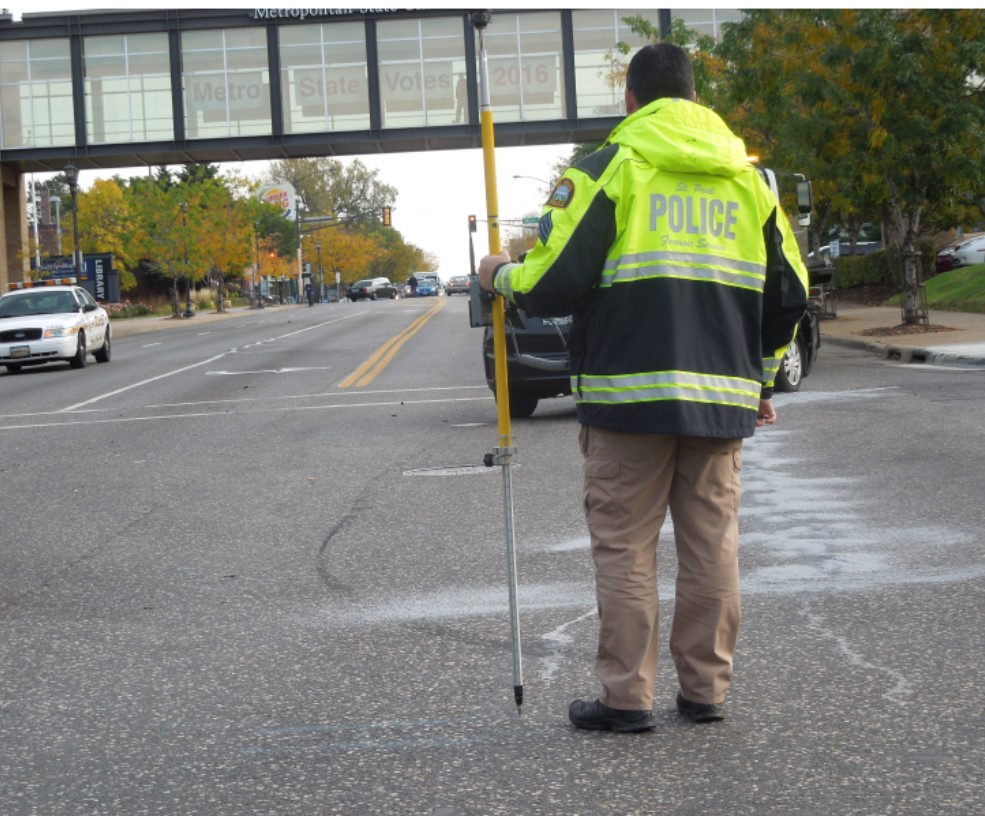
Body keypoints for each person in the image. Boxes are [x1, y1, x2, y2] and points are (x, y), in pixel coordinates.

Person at [478, 43, 809, 732]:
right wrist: (761, 376)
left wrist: (499, 275)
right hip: (719, 400)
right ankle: (705, 692)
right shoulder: (751, 183)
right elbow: (790, 293)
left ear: (630, 100)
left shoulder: (611, 167)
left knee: (626, 547)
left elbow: (553, 279)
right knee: (711, 546)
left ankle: (627, 699)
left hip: (627, 399)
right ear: (694, 98)